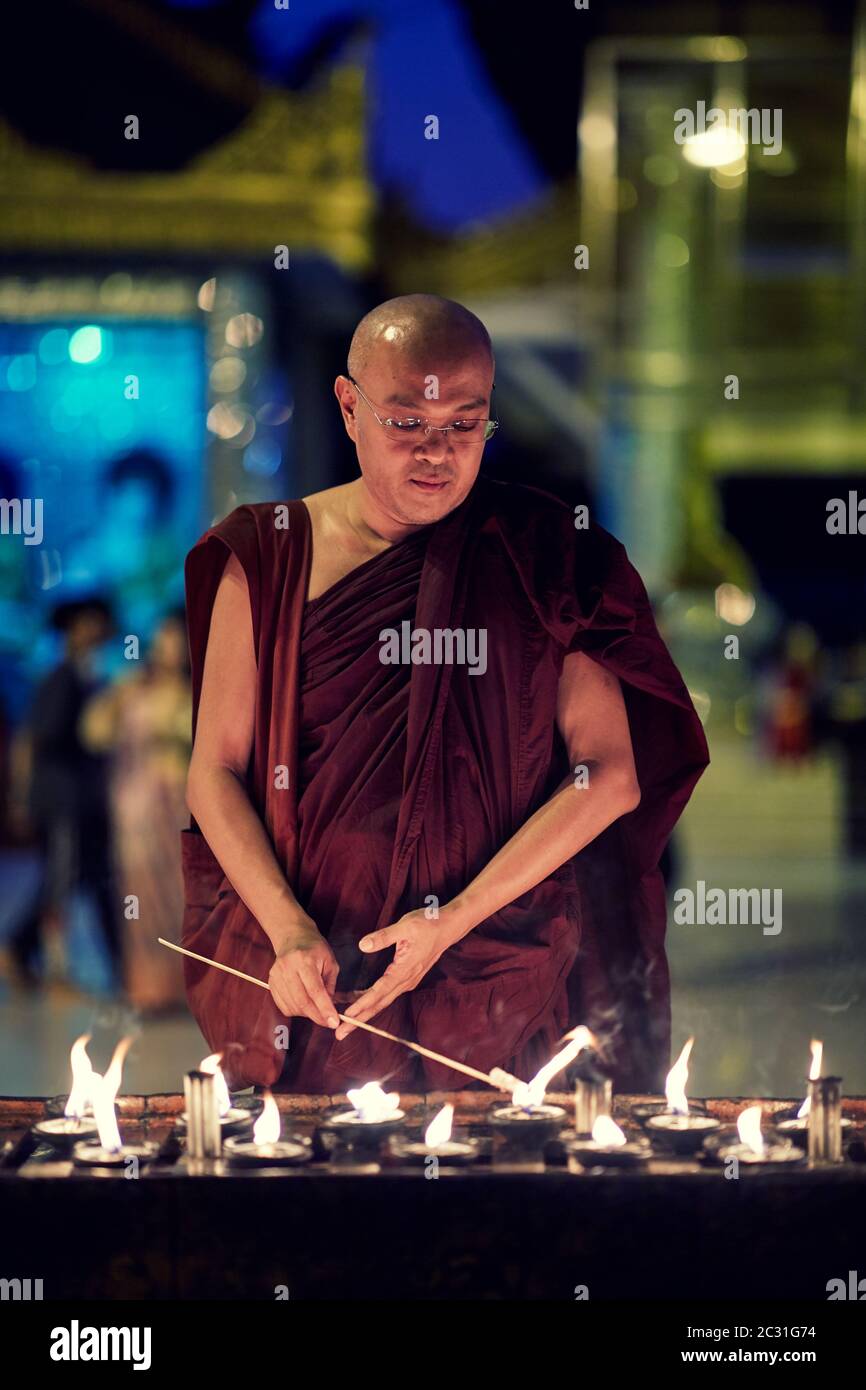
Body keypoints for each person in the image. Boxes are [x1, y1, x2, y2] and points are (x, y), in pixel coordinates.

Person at [182, 294, 709, 1094]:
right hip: (324, 970)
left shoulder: (546, 557)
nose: (438, 453)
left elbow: (608, 775)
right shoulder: (267, 557)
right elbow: (214, 770)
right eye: (407, 424)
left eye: (465, 426)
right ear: (348, 405)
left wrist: (453, 920)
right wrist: (288, 931)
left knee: (496, 1199)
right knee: (325, 1198)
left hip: (500, 968)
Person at [80, 609, 192, 1012]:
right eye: (165, 637)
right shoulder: (132, 686)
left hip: (178, 803)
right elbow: (94, 731)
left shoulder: (193, 688)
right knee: (140, 895)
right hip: (136, 808)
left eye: (177, 637)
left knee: (179, 892)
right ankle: (147, 989)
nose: (170, 646)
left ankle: (185, 987)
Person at [9, 597, 120, 989]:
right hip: (62, 802)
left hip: (80, 803)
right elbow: (32, 740)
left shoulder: (89, 679)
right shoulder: (62, 679)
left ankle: (22, 949)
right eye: (85, 626)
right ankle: (53, 970)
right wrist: (22, 797)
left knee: (75, 879)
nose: (94, 633)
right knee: (61, 880)